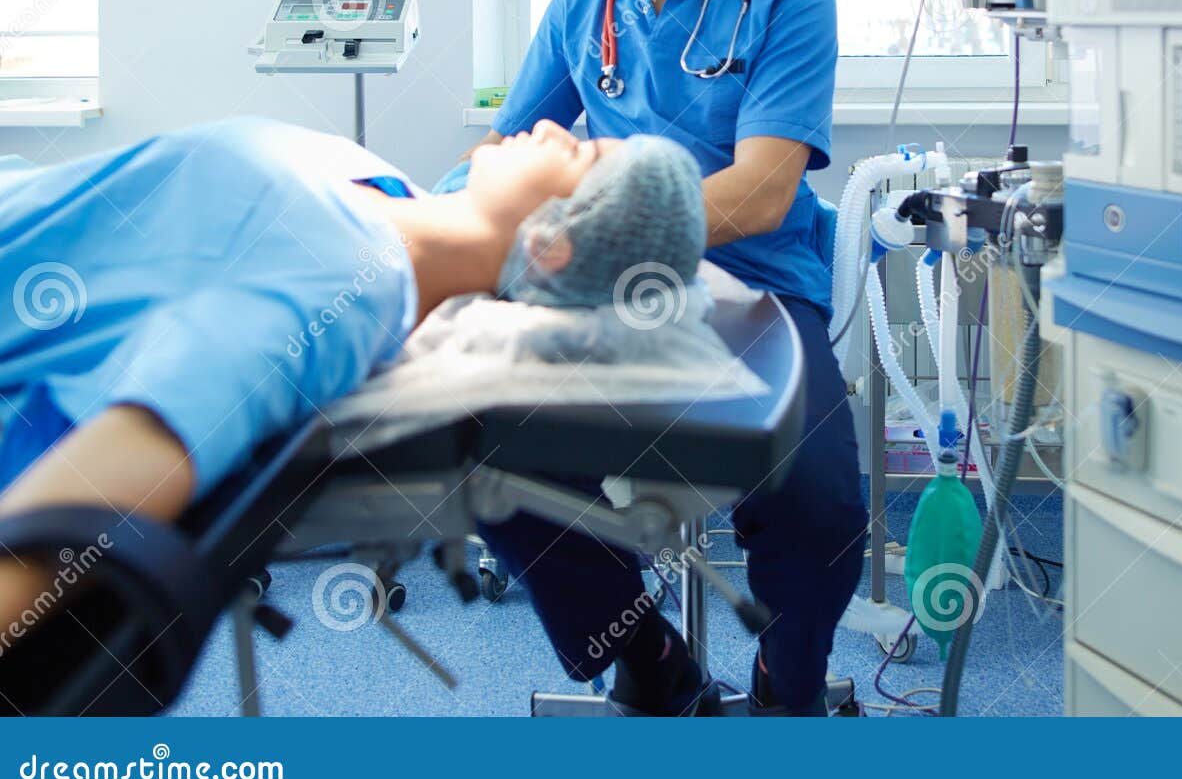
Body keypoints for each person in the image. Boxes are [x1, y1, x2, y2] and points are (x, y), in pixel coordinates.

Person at [446, 0, 866, 716]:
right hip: (600, 292)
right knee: (490, 449)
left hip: (752, 288)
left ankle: (785, 684)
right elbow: (504, 147)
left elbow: (760, 194)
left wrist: (590, 230)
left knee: (820, 497)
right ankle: (650, 656)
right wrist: (448, 215)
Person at [0, 117, 704, 631]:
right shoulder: (378, 188)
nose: (550, 127)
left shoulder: (338, 287)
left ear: (551, 245)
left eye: (578, 151)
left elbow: (89, 496)